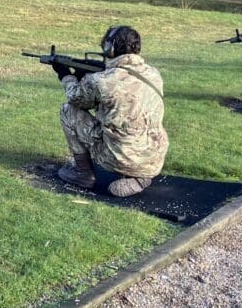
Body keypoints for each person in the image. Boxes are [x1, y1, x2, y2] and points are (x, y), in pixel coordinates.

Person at [56, 25, 169, 198]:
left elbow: (76, 99)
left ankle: (83, 173)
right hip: (154, 156)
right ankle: (140, 176)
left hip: (118, 156)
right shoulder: (153, 74)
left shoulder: (102, 81)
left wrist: (66, 75)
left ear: (110, 48)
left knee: (68, 111)